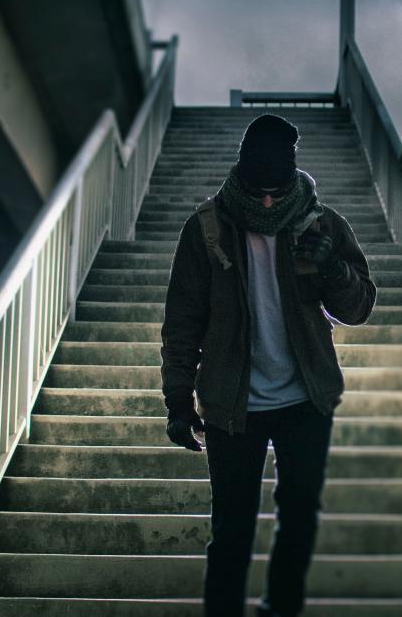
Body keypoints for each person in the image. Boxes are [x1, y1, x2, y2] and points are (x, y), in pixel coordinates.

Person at [160, 112, 377, 617]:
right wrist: (177, 400)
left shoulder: (322, 223)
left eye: (276, 194)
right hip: (232, 405)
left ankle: (279, 610)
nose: (265, 204)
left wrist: (331, 266)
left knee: (299, 520)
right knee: (231, 531)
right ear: (241, 175)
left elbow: (359, 308)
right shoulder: (207, 228)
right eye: (257, 192)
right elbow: (182, 321)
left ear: (291, 180)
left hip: (306, 399)